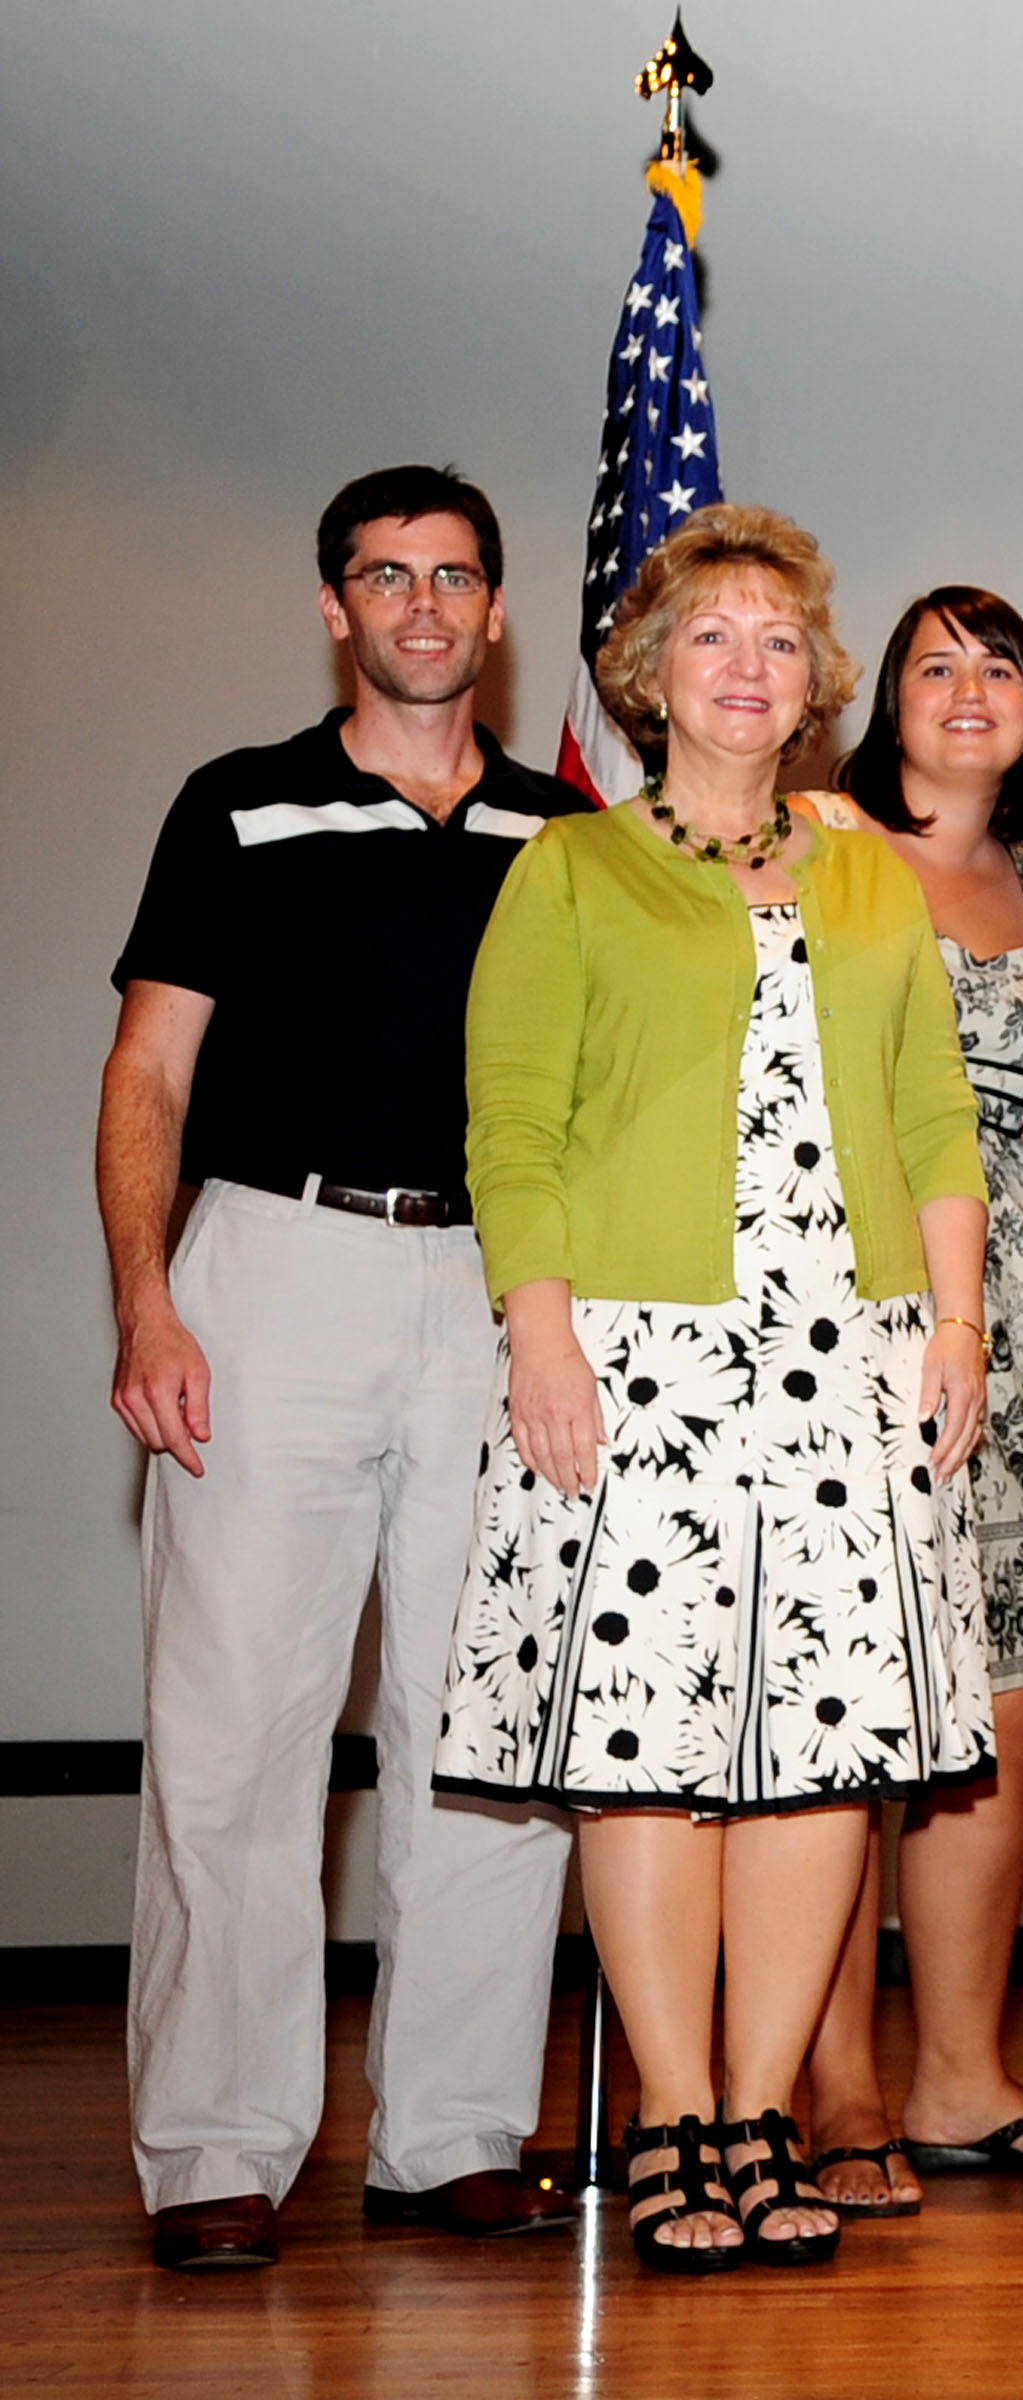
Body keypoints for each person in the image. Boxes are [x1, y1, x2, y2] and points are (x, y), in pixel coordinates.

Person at [434, 504, 996, 2273]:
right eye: (713, 634)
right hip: (636, 1361)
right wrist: (538, 1335)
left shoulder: (863, 880)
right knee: (652, 1757)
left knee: (827, 1757)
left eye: (777, 639)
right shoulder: (573, 870)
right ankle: (673, 2114)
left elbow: (934, 1117)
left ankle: (762, 2113)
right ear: (649, 672)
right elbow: (511, 1128)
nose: (749, 664)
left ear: (812, 681)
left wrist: (961, 1322)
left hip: (851, 1357)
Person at [98, 464, 584, 2274]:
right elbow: (148, 1078)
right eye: (389, 576)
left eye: (456, 576)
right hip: (270, 1268)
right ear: (336, 608)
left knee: (494, 1733)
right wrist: (147, 1303)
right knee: (234, 1735)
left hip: (499, 1292)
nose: (426, 605)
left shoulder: (563, 832)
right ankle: (218, 2145)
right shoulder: (238, 806)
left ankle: (449, 2134)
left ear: (494, 608)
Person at [790, 587, 1023, 2211]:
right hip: (859, 1320)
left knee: (1002, 1715)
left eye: (998, 669)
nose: (967, 692)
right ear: (883, 703)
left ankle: (959, 2077)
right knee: (852, 1717)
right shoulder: (822, 841)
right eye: (932, 667)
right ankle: (838, 2086)